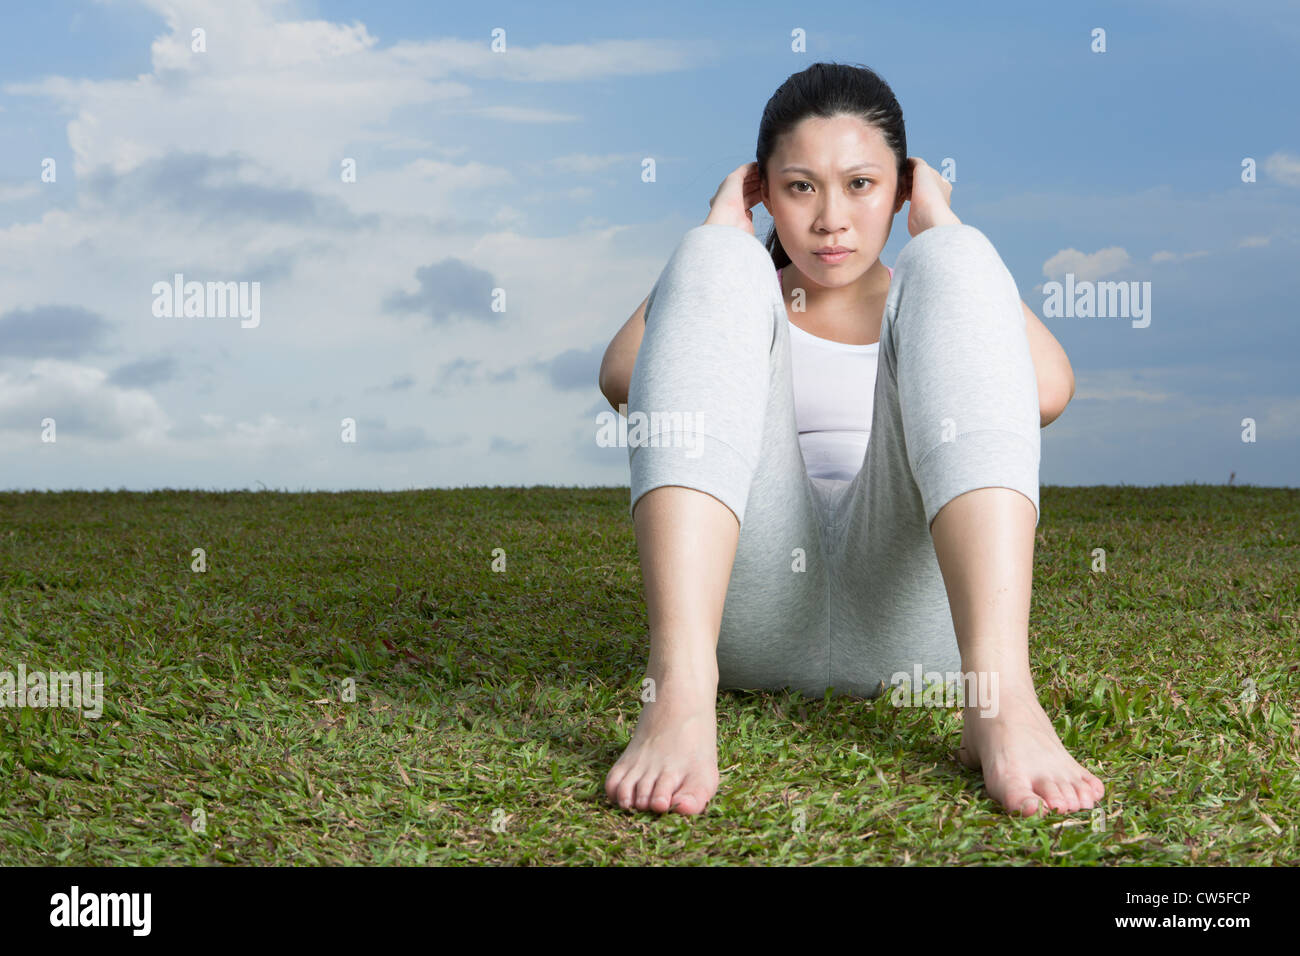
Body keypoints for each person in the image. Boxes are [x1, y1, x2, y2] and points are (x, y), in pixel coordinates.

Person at [597, 61, 1103, 818]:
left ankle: (1001, 701)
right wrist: (717, 235)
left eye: (861, 185)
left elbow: (1049, 390)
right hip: (746, 613)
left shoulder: (927, 297)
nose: (831, 218)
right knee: (705, 256)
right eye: (800, 187)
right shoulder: (742, 298)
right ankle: (679, 695)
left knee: (960, 260)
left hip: (915, 623)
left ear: (900, 190)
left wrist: (943, 232)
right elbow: (623, 376)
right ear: (762, 192)